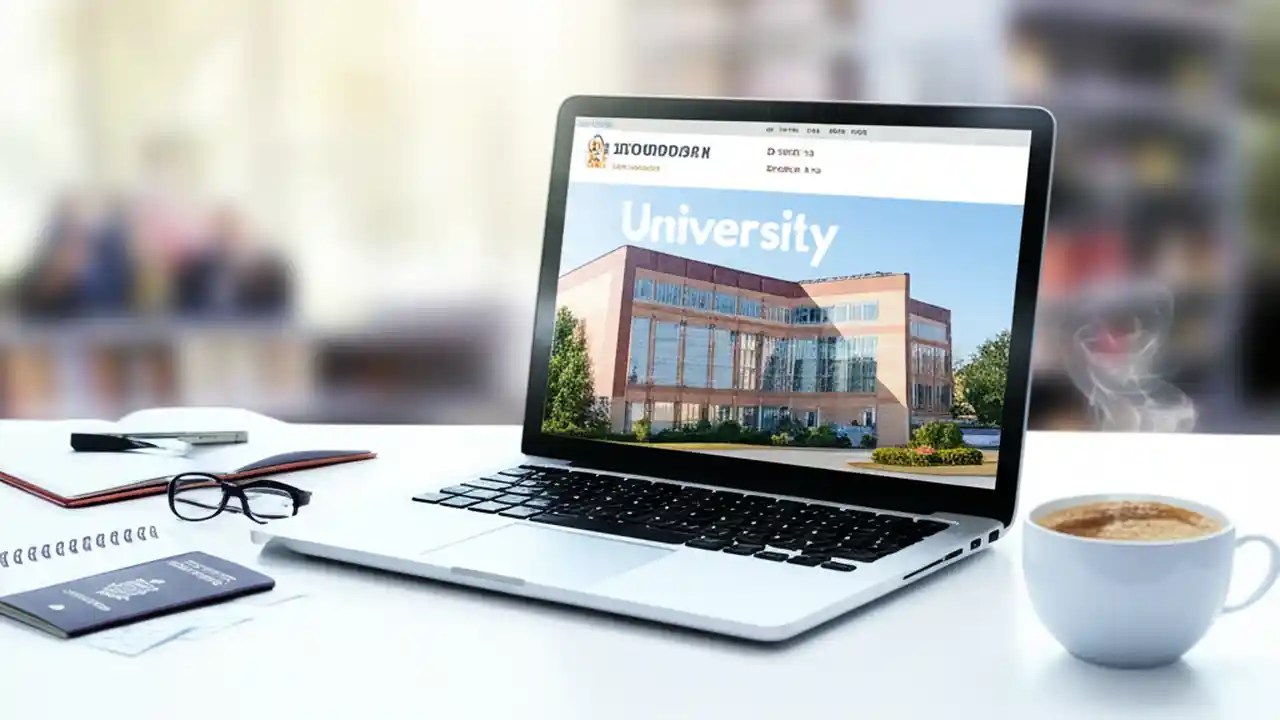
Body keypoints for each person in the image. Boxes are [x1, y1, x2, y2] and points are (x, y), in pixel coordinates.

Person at [174, 207, 291, 317]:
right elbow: (183, 313)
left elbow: (276, 315)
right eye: (220, 230)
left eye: (232, 230)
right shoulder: (194, 273)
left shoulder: (267, 275)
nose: (226, 237)